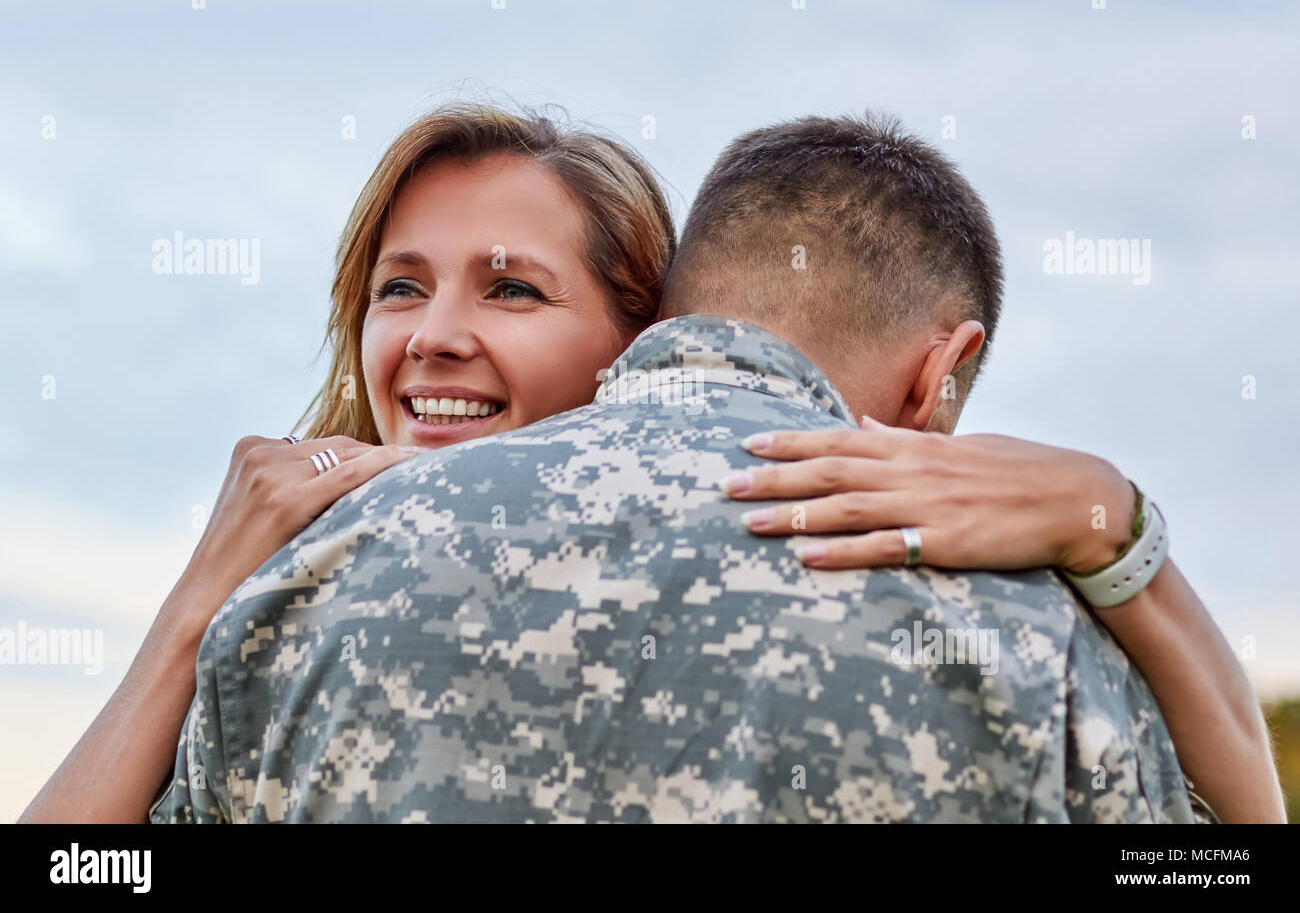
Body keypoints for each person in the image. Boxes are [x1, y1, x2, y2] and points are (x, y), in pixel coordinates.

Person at [140, 112, 1281, 822]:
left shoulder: (315, 577)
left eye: (512, 287)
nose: (438, 335)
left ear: (659, 314)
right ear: (944, 371)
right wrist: (1118, 531)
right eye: (402, 285)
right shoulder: (1032, 632)